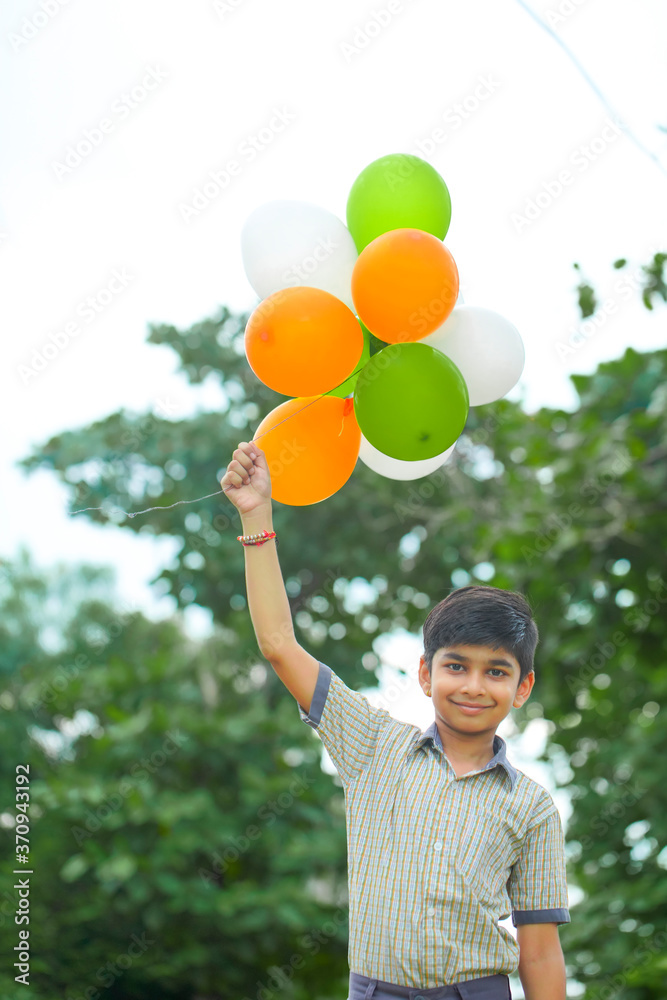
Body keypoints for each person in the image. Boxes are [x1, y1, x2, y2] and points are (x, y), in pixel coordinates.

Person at [221, 440, 570, 1000]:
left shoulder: (530, 806)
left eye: (496, 672)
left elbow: (540, 950)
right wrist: (256, 514)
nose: (474, 686)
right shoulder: (372, 744)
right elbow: (279, 644)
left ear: (522, 687)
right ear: (427, 676)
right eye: (456, 666)